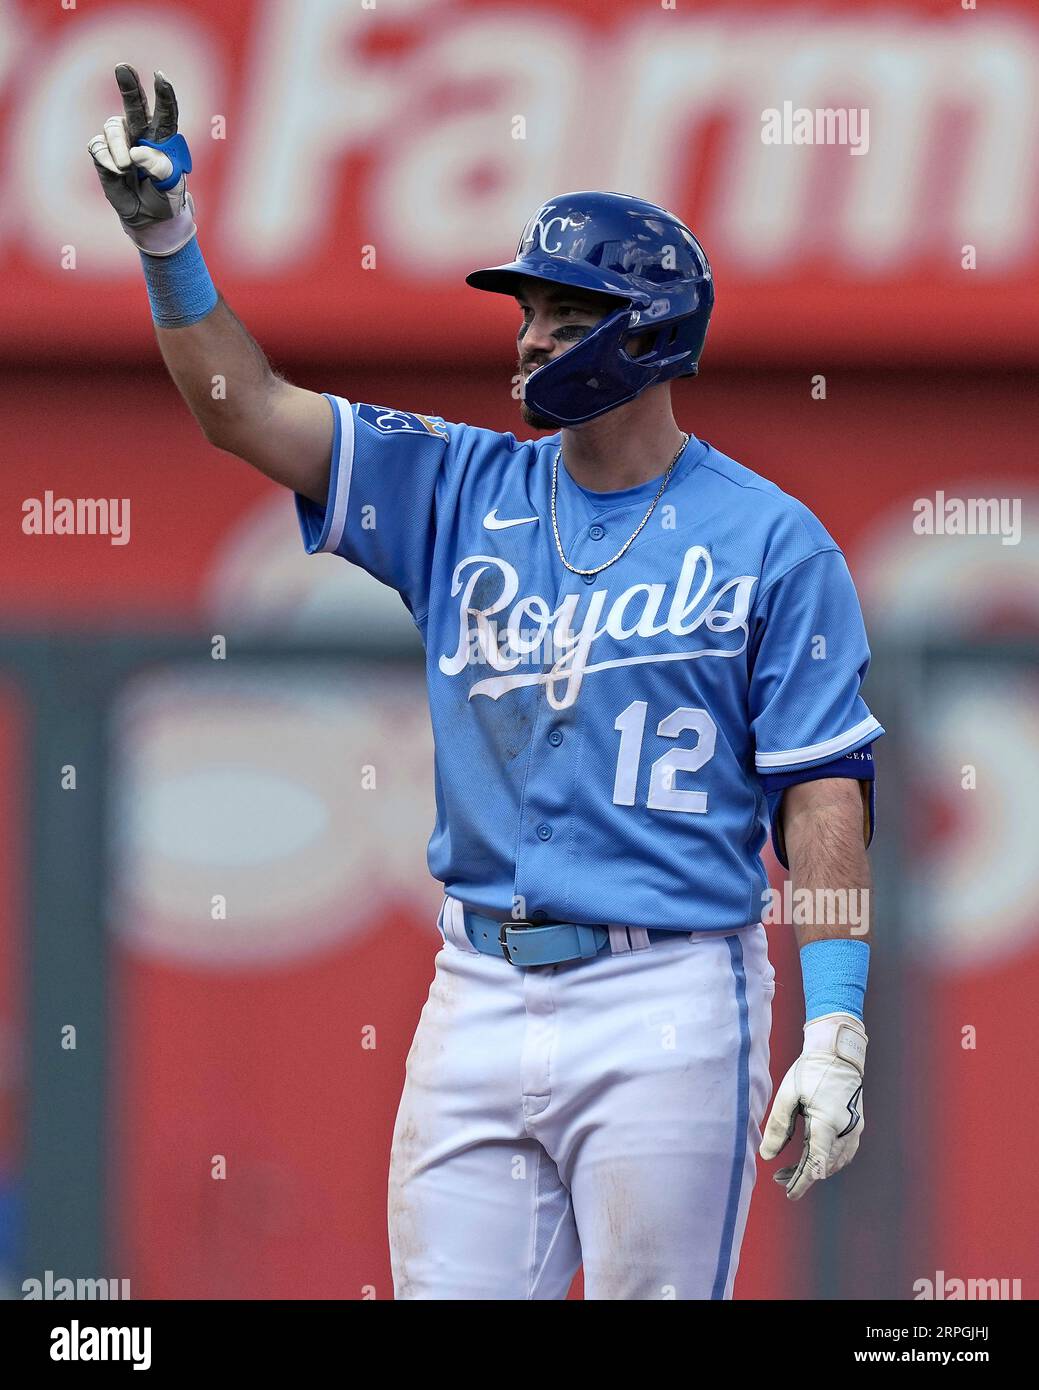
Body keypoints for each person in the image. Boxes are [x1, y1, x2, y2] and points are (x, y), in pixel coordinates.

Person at [90, 65, 882, 1301]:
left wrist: (834, 1019)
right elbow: (246, 413)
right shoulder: (462, 485)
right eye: (528, 310)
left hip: (666, 986)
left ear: (650, 327)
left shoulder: (770, 539)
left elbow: (821, 793)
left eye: (567, 311)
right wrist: (168, 245)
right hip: (478, 979)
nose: (531, 337)